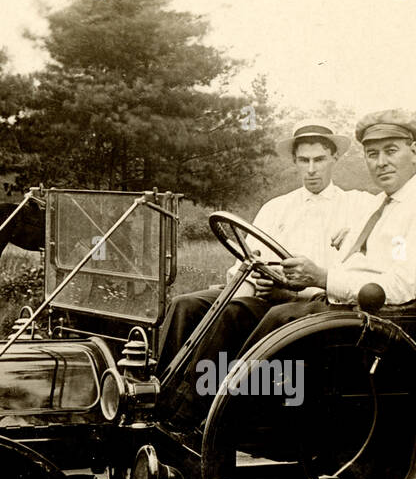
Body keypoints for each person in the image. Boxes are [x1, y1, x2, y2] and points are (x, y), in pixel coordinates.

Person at [155, 119, 375, 371]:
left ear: (334, 158)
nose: (312, 169)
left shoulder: (358, 205)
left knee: (233, 313)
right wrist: (248, 285)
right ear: (295, 162)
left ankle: (194, 402)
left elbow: (381, 226)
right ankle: (161, 387)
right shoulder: (276, 208)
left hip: (316, 305)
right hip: (268, 298)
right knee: (185, 305)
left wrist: (356, 230)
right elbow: (246, 262)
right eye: (304, 160)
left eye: (320, 159)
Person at [236, 109, 416, 350]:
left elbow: (400, 285)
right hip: (347, 307)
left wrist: (322, 278)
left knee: (280, 320)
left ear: (414, 151)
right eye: (372, 154)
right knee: (237, 312)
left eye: (391, 151)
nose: (381, 162)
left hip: (381, 323)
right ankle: (202, 381)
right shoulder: (379, 205)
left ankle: (234, 386)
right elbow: (362, 260)